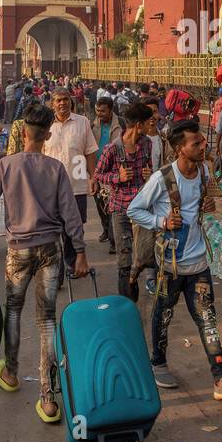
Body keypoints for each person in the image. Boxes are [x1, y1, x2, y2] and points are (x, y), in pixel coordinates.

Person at [0, 100, 88, 424]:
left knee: (14, 311)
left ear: (23, 134)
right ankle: (48, 399)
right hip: (50, 250)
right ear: (47, 135)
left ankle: (11, 371)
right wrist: (80, 252)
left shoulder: (6, 166)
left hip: (18, 251)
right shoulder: (56, 169)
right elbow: (71, 215)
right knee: (47, 320)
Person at [127, 119, 222, 402]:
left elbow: (200, 206)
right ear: (180, 148)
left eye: (202, 142)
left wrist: (206, 204)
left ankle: (221, 379)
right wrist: (162, 221)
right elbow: (134, 209)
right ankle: (158, 363)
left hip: (199, 263)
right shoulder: (162, 178)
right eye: (197, 143)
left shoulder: (204, 172)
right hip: (170, 266)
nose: (204, 146)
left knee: (207, 320)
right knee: (163, 315)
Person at [93, 101, 154, 300]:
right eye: (148, 122)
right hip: (121, 209)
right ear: (138, 125)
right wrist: (117, 177)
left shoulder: (147, 144)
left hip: (143, 209)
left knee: (144, 256)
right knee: (124, 260)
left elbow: (151, 169)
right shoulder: (112, 149)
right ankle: (128, 304)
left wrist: (149, 174)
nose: (151, 125)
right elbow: (98, 175)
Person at [46, 87, 98, 274]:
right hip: (51, 188)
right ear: (52, 104)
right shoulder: (46, 125)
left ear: (71, 101)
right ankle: (56, 271)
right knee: (54, 229)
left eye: (66, 99)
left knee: (74, 228)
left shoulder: (82, 122)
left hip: (77, 185)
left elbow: (89, 152)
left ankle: (73, 264)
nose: (63, 103)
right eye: (58, 100)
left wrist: (93, 177)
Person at [90, 96, 120, 253]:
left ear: (110, 110)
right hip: (97, 170)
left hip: (113, 171)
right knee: (99, 203)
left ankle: (113, 239)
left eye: (103, 111)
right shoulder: (93, 125)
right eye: (97, 111)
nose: (99, 114)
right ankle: (106, 229)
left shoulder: (120, 124)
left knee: (111, 206)